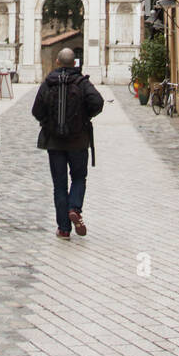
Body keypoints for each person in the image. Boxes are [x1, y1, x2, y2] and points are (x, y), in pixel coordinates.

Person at [32, 47, 104, 240]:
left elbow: (36, 110)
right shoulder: (82, 83)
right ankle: (75, 208)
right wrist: (84, 117)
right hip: (78, 140)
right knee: (79, 178)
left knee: (59, 185)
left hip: (54, 142)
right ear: (75, 63)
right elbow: (98, 102)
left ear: (57, 62)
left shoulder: (48, 83)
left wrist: (48, 121)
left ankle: (63, 229)